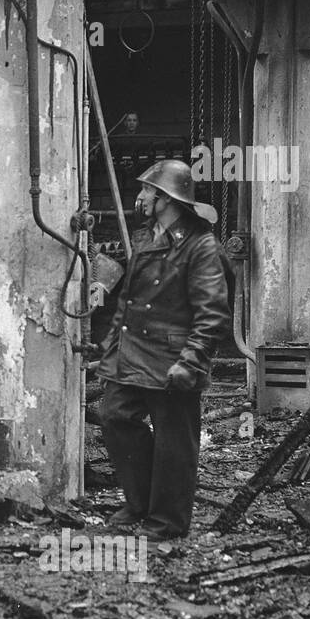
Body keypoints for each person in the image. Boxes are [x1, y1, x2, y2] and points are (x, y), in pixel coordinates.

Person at [96, 159, 231, 542]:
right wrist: (109, 347)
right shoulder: (146, 237)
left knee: (175, 440)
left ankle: (168, 520)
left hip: (174, 358)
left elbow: (212, 313)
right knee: (115, 416)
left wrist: (192, 361)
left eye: (146, 191)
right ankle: (140, 501)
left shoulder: (201, 246)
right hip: (135, 352)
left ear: (166, 198)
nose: (139, 198)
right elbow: (128, 300)